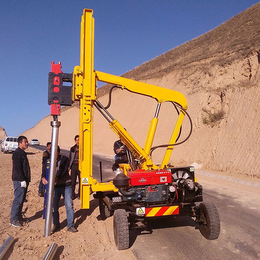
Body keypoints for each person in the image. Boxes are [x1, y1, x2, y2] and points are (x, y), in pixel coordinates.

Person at [42, 146, 78, 233]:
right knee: (54, 206)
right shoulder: (48, 160)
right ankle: (56, 225)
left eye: (55, 152)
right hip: (55, 187)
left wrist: (56, 177)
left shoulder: (64, 159)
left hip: (66, 185)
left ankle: (70, 225)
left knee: (69, 205)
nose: (53, 154)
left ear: (58, 152)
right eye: (51, 152)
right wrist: (43, 177)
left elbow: (63, 170)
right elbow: (44, 170)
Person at [10, 135, 31, 227]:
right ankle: (13, 219)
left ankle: (18, 216)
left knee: (22, 199)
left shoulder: (22, 153)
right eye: (25, 142)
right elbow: (18, 168)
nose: (27, 143)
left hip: (24, 180)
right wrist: (22, 180)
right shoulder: (17, 153)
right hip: (19, 180)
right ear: (20, 143)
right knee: (18, 199)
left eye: (27, 142)